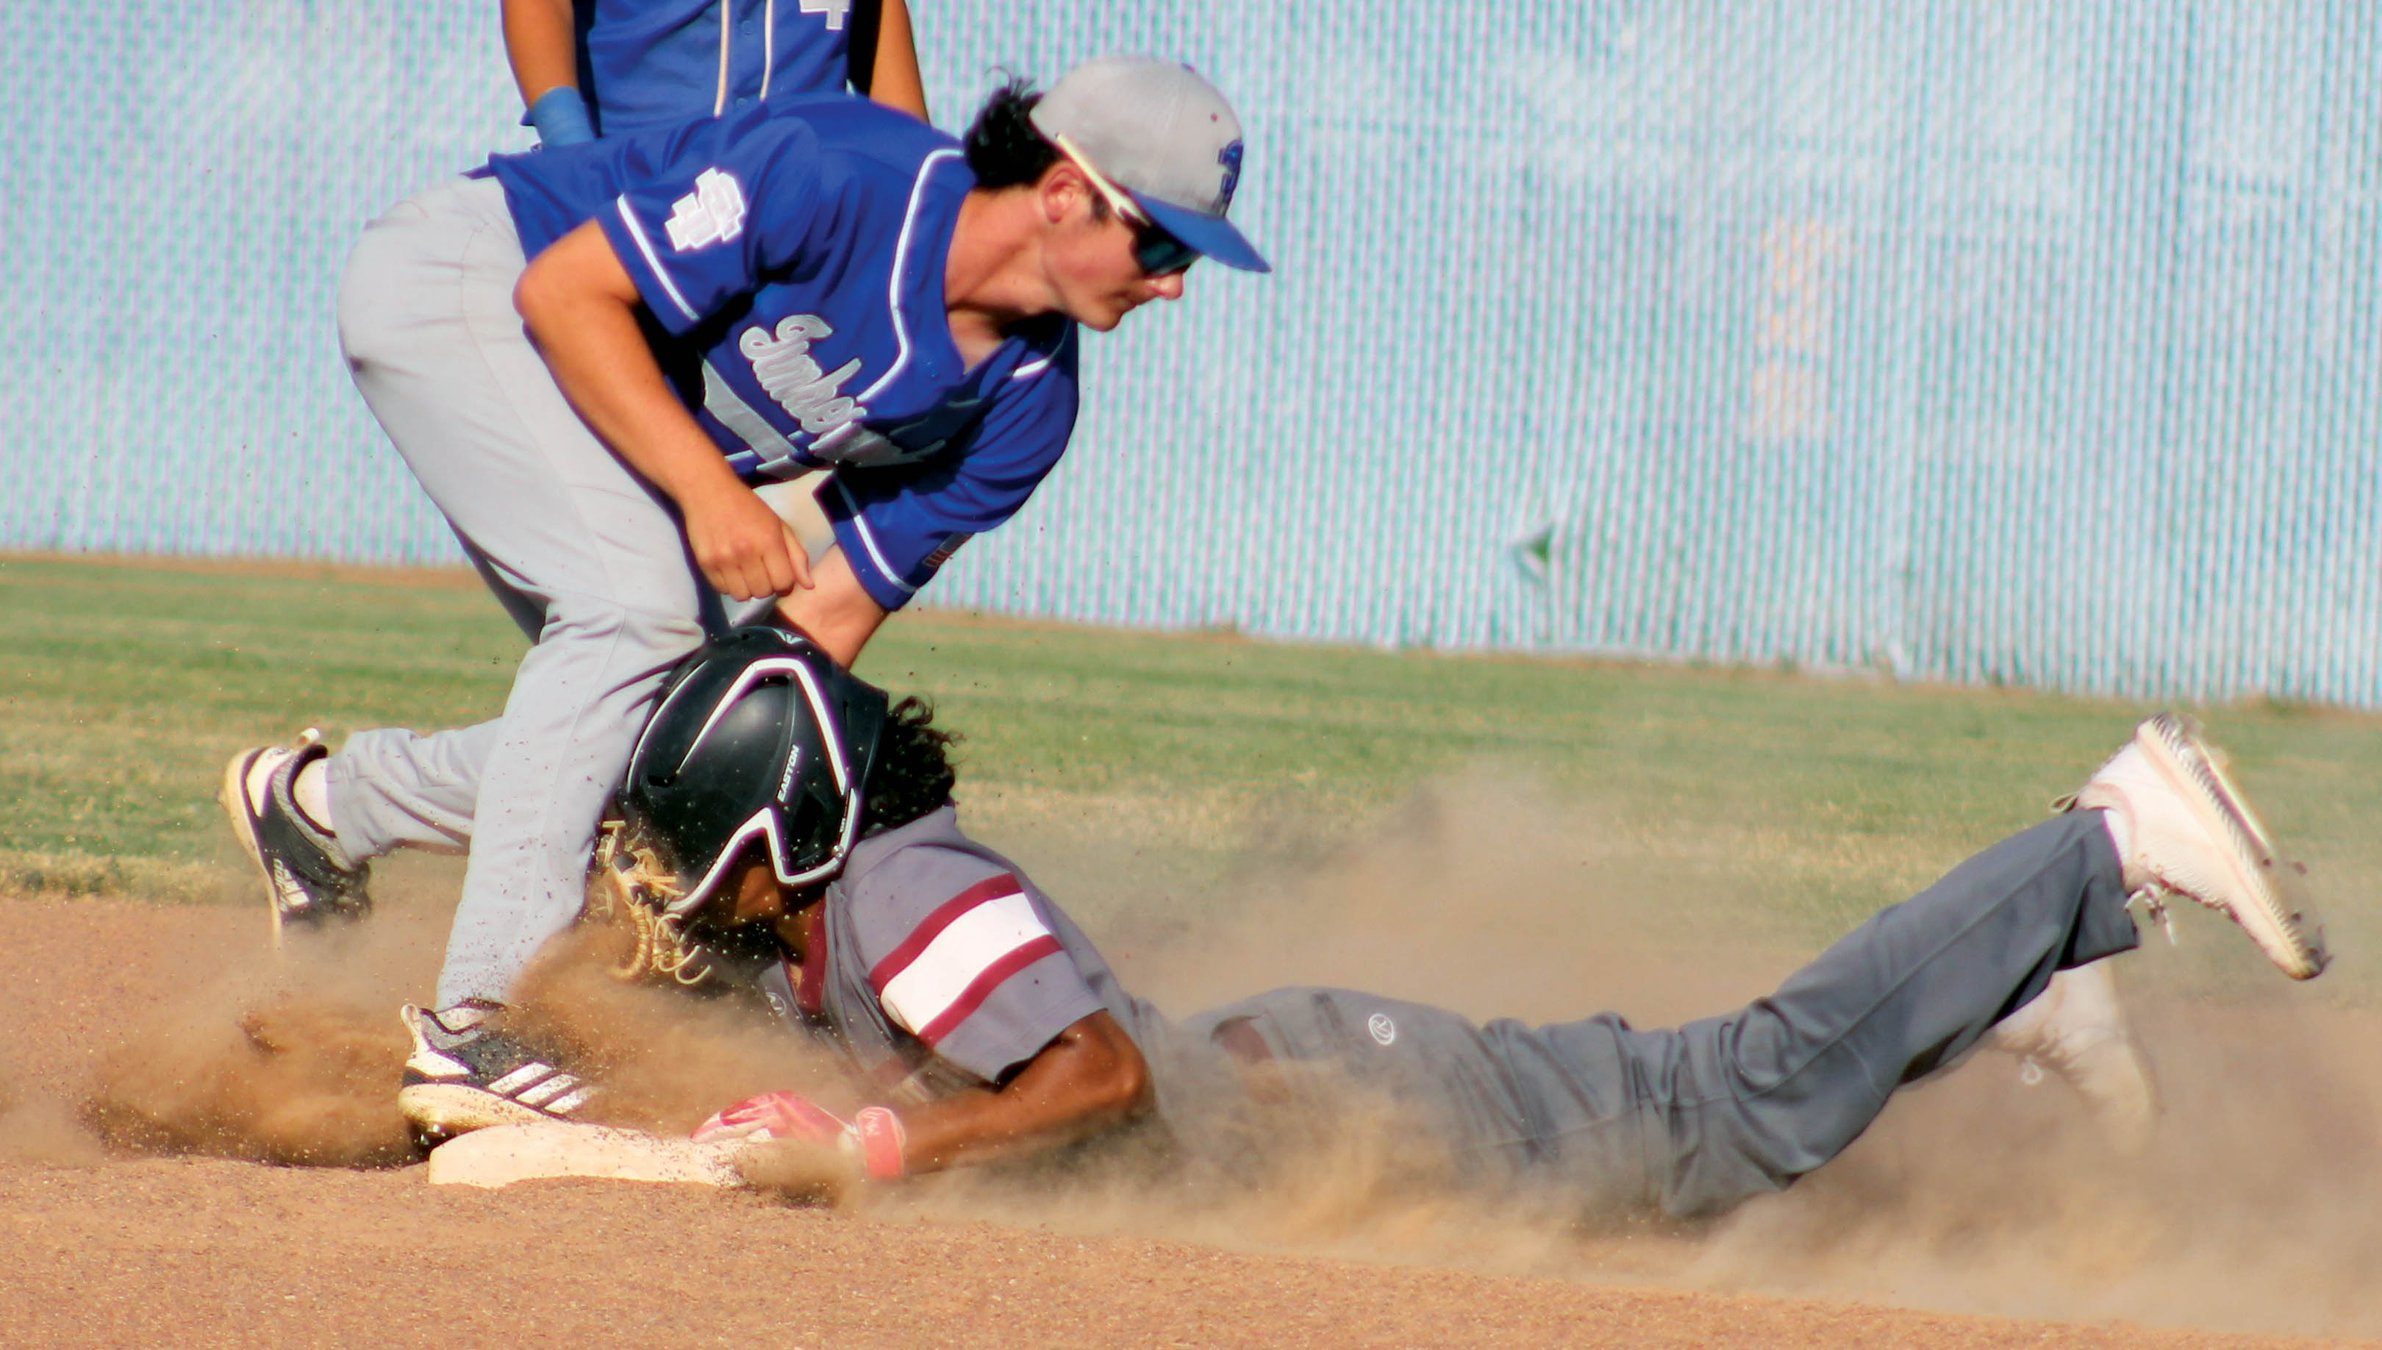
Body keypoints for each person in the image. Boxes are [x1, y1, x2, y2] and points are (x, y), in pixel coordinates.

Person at [403, 627, 2329, 1215]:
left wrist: (889, 1149)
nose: (670, 891)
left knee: (1727, 1107)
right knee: (1719, 1160)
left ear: (791, 829)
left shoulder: (905, 893)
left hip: (1359, 1093)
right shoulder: (827, 925)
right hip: (1314, 1098)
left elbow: (1080, 1075)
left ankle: (2099, 845)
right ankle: (2013, 1004)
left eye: (694, 853)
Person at [220, 57, 1271, 1134]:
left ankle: (326, 811)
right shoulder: (843, 174)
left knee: (687, 727)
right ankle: (482, 1029)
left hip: (591, 383)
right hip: (472, 279)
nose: (1173, 282)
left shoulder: (1026, 409)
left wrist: (727, 786)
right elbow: (565, 295)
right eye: (1162, 241)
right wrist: (709, 492)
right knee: (635, 616)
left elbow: (816, 632)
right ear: (1063, 192)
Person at [503, 0, 929, 149]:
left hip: (800, 223)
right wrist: (572, 151)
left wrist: (919, 188)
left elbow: (876, 17)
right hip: (628, 190)